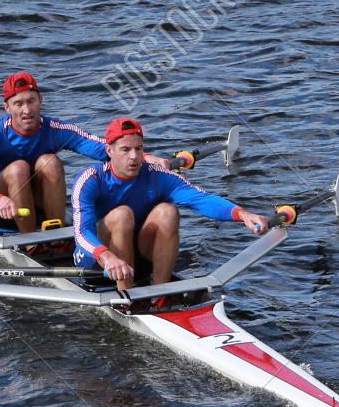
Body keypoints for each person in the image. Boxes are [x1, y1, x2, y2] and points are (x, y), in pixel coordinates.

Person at [72, 117, 290, 292]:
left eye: (139, 149)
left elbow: (200, 198)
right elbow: (82, 232)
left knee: (167, 211)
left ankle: (159, 292)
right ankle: (127, 297)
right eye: (125, 150)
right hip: (97, 259)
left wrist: (242, 214)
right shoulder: (90, 179)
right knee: (122, 214)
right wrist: (107, 257)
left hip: (138, 254)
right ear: (109, 151)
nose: (134, 156)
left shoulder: (157, 174)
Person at [0, 73, 165, 233]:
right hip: (7, 211)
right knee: (19, 168)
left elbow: (103, 147)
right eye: (18, 104)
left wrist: (146, 158)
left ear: (41, 101)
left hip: (42, 207)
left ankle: (55, 234)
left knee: (49, 161)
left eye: (31, 101)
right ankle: (30, 241)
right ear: (7, 107)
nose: (27, 110)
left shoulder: (55, 129)